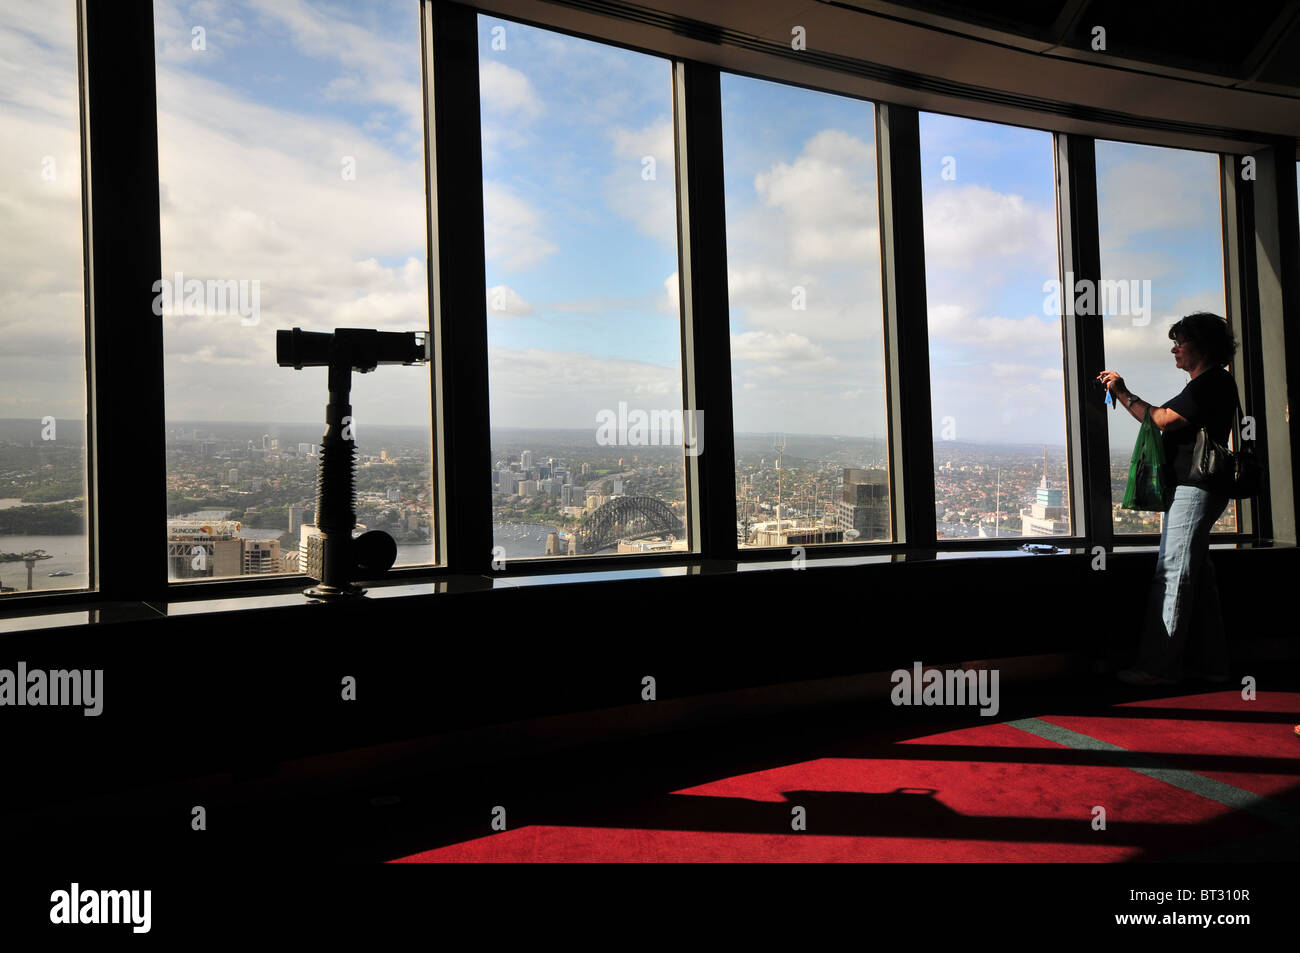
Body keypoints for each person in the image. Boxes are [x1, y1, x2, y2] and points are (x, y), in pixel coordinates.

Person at [1097, 312, 1240, 686]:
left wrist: (1124, 393)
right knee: (1198, 579)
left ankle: (1156, 668)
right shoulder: (1211, 384)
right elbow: (1158, 418)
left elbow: (1160, 420)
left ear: (1202, 346)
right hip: (1199, 488)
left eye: (1180, 341)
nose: (1174, 348)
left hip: (1195, 489)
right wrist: (1126, 396)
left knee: (1173, 574)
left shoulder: (1209, 385)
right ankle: (1212, 666)